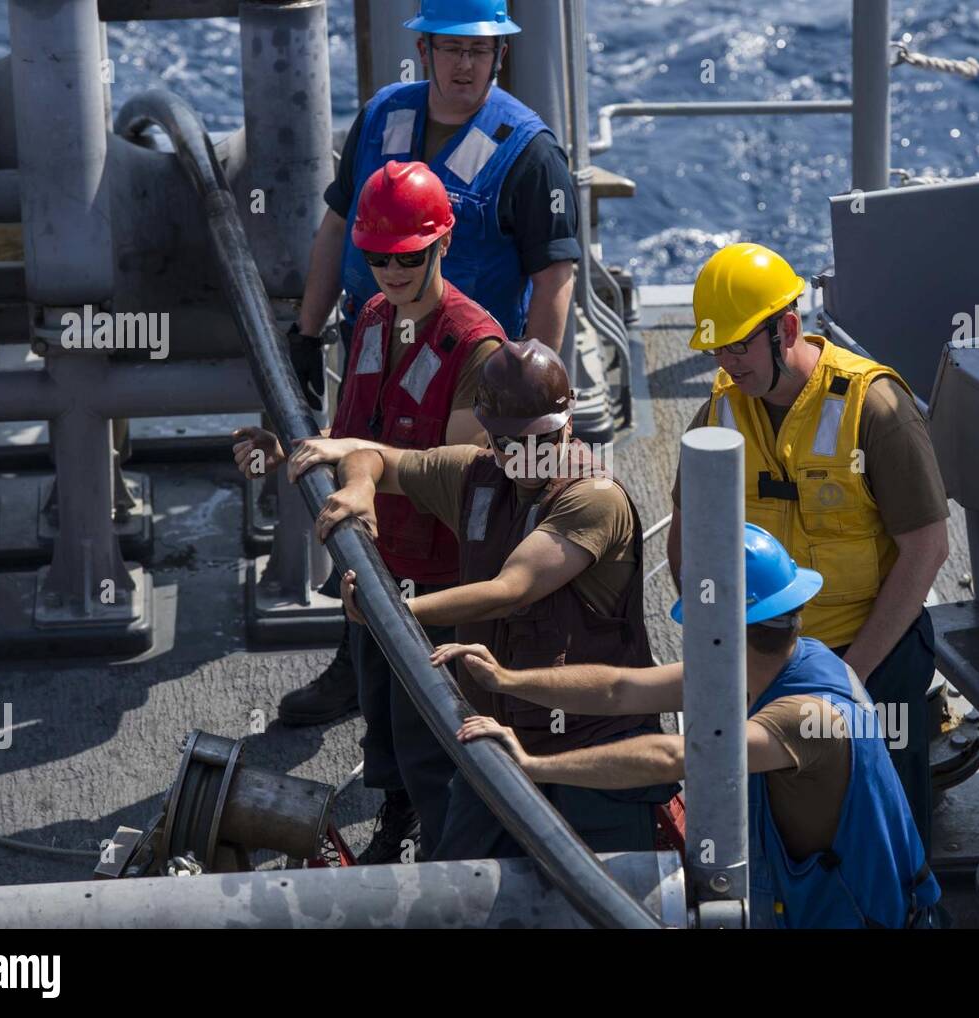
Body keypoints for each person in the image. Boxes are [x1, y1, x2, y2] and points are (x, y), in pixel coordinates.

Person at [278, 0, 581, 730]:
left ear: (500, 54)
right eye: (451, 49)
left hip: (467, 372)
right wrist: (306, 327)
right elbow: (338, 221)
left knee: (451, 520)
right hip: (374, 351)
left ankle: (453, 684)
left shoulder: (529, 153)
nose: (467, 64)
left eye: (482, 50)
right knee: (362, 498)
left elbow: (553, 280)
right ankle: (358, 662)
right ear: (424, 47)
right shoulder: (384, 115)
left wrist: (532, 401)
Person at [445, 524, 943, 929]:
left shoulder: (809, 717)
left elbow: (676, 755)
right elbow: (623, 689)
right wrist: (507, 681)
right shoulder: (785, 661)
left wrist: (532, 766)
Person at [233, 160, 502, 863]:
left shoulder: (476, 347)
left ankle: (451, 863)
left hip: (441, 581)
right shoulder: (374, 321)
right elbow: (350, 424)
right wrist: (284, 447)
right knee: (382, 715)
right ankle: (399, 818)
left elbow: (456, 474)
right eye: (376, 256)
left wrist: (362, 473)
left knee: (435, 729)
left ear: (441, 243)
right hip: (374, 564)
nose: (389, 270)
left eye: (407, 256)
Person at [318, 340, 676, 859]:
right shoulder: (472, 475)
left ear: (568, 424)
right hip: (496, 742)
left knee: (610, 896)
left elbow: (510, 591)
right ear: (489, 434)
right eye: (511, 443)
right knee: (457, 895)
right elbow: (368, 457)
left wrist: (388, 612)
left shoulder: (593, 499)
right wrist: (358, 490)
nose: (529, 455)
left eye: (543, 439)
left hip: (596, 751)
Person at [665, 243, 950, 854]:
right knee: (783, 830)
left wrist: (852, 676)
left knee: (885, 827)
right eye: (716, 347)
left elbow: (926, 548)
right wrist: (727, 649)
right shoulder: (718, 409)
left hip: (873, 654)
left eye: (738, 344)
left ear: (786, 329)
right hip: (770, 660)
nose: (725, 361)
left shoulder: (876, 409)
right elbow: (687, 538)